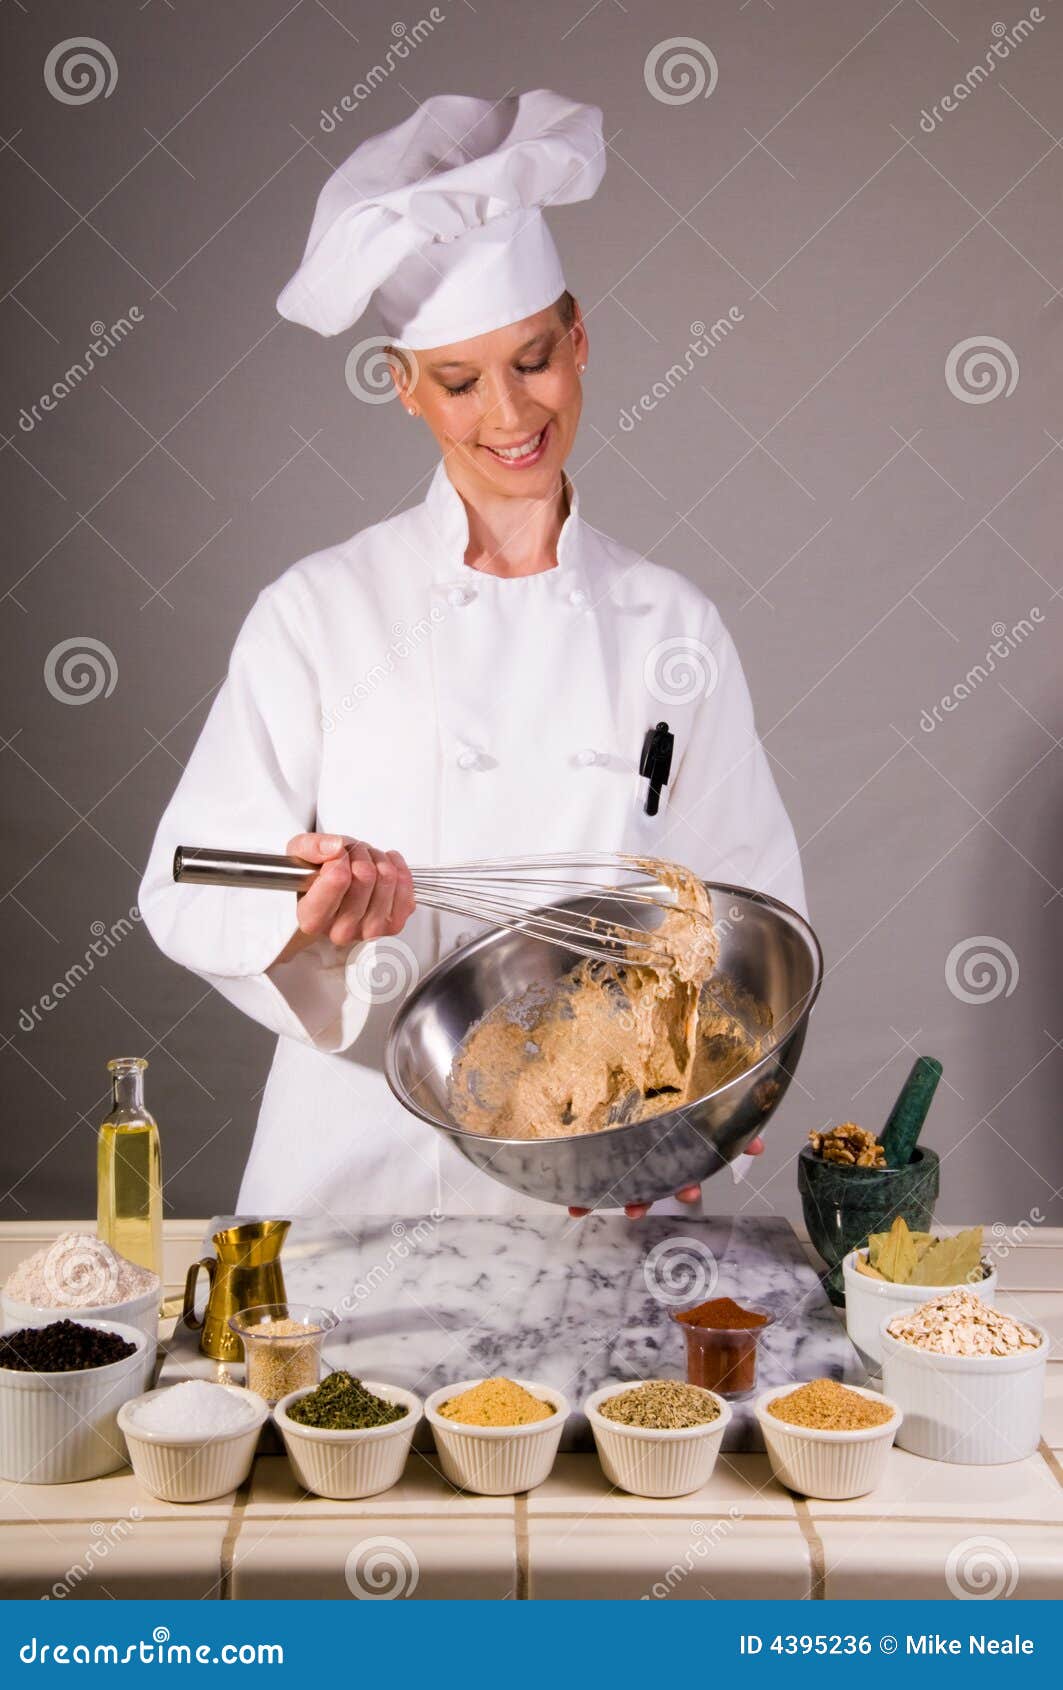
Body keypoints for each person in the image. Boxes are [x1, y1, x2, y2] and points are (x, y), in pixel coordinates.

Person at [139, 90, 806, 1222]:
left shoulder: (672, 627)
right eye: (458, 381)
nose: (509, 413)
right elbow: (183, 884)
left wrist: (700, 1130)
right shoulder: (319, 611)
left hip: (597, 1179)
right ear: (404, 388)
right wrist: (310, 922)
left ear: (580, 339)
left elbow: (751, 920)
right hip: (359, 1173)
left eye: (534, 360)